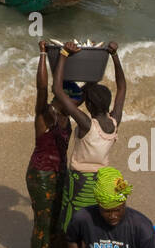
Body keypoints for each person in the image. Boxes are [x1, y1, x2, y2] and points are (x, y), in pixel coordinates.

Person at [53, 40, 125, 229]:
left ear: (89, 106)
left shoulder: (87, 125)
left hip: (79, 180)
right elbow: (122, 88)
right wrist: (114, 56)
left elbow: (57, 91)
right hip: (101, 181)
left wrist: (63, 55)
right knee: (93, 224)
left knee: (73, 224)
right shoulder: (114, 122)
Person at [28, 42, 72, 248]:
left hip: (60, 173)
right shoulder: (46, 114)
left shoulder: (69, 115)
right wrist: (44, 53)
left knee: (60, 219)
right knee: (43, 223)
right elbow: (43, 87)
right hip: (42, 174)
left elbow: (93, 94)